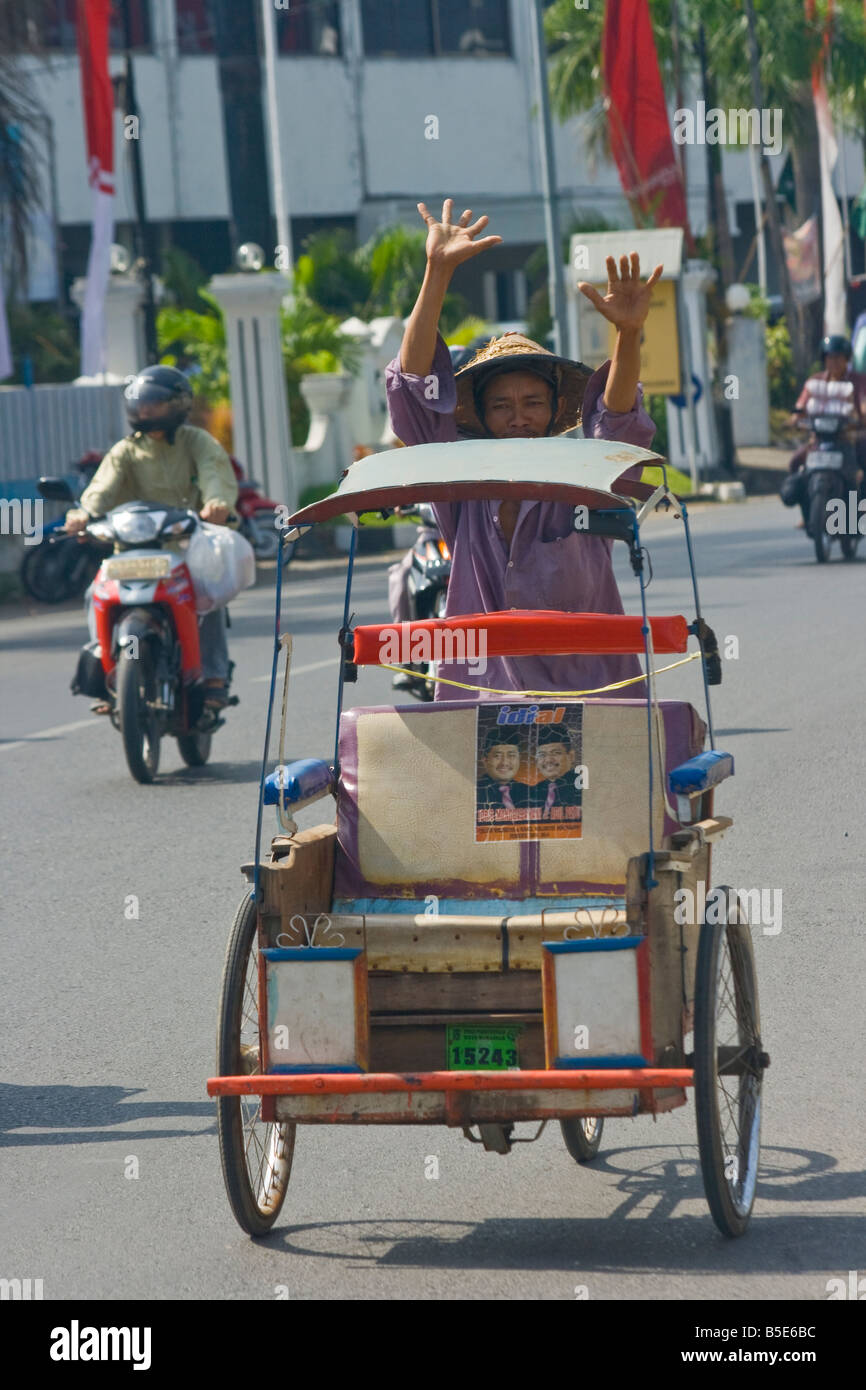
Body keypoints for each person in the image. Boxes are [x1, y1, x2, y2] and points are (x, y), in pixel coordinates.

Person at [386, 198, 661, 701]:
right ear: (484, 420)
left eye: (533, 402)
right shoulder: (459, 485)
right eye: (502, 406)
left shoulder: (584, 476)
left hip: (590, 685)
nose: (519, 417)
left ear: (555, 411)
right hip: (480, 690)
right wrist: (437, 272)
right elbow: (412, 389)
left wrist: (629, 333)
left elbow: (619, 427)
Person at [64, 365, 239, 710]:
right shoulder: (125, 451)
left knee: (208, 598)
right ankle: (106, 673)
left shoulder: (197, 442)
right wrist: (83, 513)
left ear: (178, 404)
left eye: (155, 404)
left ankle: (215, 677)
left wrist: (217, 503)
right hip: (131, 550)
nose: (145, 411)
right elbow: (101, 488)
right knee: (93, 595)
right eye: (141, 404)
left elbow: (213, 473)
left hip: (186, 547)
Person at [784, 335, 866, 528]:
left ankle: (859, 510)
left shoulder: (858, 381)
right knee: (796, 462)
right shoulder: (815, 382)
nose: (834, 362)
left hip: (851, 438)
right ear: (824, 359)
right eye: (830, 357)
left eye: (839, 357)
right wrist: (794, 418)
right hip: (820, 440)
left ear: (847, 359)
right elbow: (801, 405)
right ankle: (809, 509)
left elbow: (863, 403)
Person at [527, 725, 582, 819]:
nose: (548, 760)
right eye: (542, 755)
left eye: (556, 753)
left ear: (571, 756)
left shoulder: (583, 787)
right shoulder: (532, 792)